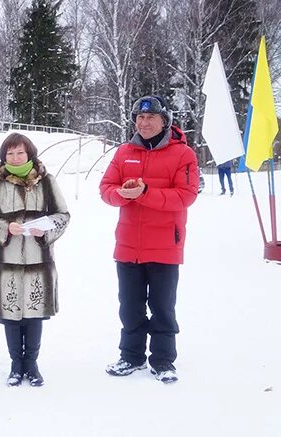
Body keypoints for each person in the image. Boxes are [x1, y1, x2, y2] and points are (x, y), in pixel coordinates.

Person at [99, 95, 198, 384]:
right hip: (129, 245)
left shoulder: (183, 155)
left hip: (166, 244)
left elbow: (186, 196)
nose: (144, 123)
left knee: (162, 306)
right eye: (140, 118)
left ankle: (163, 360)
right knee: (129, 306)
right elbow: (106, 188)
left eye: (150, 117)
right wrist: (121, 194)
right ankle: (130, 356)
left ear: (164, 121)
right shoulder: (124, 152)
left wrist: (144, 194)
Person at [0, 133, 70, 387]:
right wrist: (6, 228)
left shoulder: (47, 181)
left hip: (39, 260)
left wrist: (47, 230)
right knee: (11, 313)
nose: (15, 158)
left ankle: (32, 364)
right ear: (3, 157)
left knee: (34, 313)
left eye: (20, 153)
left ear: (30, 154)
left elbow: (63, 215)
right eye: (10, 154)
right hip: (6, 261)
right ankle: (16, 365)